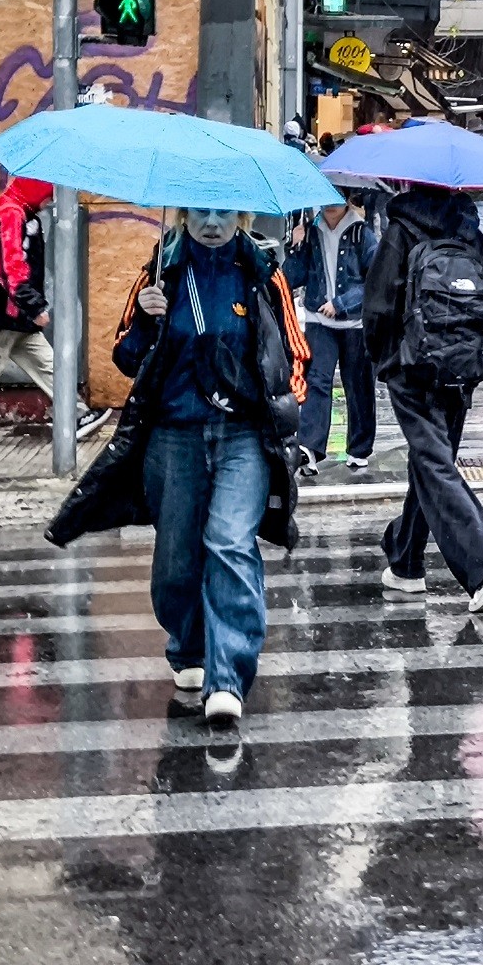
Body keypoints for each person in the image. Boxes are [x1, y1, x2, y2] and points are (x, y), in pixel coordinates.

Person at [47, 208, 312, 727]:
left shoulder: (263, 273)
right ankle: (187, 646)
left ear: (240, 216)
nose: (211, 223)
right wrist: (147, 317)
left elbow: (295, 356)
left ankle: (228, 678)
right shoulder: (160, 271)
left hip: (242, 437)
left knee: (230, 543)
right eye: (201, 213)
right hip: (174, 436)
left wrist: (286, 408)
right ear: (185, 215)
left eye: (222, 213)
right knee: (175, 558)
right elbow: (125, 356)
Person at [363, 182, 483, 612]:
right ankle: (406, 559)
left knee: (433, 461)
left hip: (411, 363)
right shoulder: (469, 226)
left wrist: (381, 358)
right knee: (433, 461)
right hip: (461, 365)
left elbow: (378, 306)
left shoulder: (402, 228)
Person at [0, 178, 111, 438]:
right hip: (2, 317)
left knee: (52, 366)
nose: (52, 198)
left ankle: (77, 415)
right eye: (49, 191)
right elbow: (9, 268)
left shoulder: (23, 213)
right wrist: (33, 306)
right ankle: (77, 415)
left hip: (17, 319)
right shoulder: (10, 213)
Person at [286, 192, 378, 476]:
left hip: (354, 324)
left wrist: (341, 304)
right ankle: (310, 450)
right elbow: (292, 277)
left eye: (338, 196)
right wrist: (295, 247)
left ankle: (359, 449)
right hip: (318, 322)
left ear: (348, 199)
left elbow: (375, 279)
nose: (331, 202)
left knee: (358, 385)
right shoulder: (312, 231)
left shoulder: (363, 233)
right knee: (317, 382)